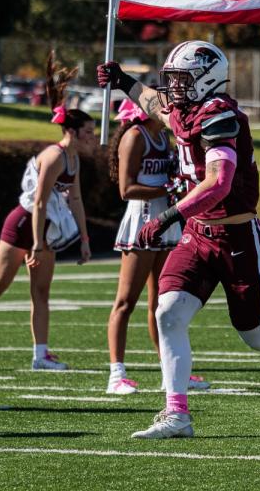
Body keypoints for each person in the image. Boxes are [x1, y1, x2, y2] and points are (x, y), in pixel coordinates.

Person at [97, 40, 260, 439]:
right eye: (174, 80)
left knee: (258, 334)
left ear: (206, 80)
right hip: (198, 235)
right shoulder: (184, 109)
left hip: (236, 235)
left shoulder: (221, 116)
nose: (174, 88)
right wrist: (121, 81)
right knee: (167, 314)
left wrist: (169, 215)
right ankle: (177, 414)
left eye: (183, 80)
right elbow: (151, 102)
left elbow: (219, 184)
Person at [0, 53, 93, 372]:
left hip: (45, 228)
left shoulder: (74, 159)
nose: (92, 138)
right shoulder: (54, 157)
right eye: (89, 132)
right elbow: (39, 202)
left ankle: (41, 355)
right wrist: (38, 243)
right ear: (73, 130)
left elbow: (76, 200)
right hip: (25, 224)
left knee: (41, 292)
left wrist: (84, 238)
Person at [105, 99, 208, 395]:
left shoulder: (163, 136)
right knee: (125, 301)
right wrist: (169, 189)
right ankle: (116, 374)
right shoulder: (135, 137)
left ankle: (170, 371)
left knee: (161, 303)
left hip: (164, 222)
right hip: (140, 221)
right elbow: (126, 189)